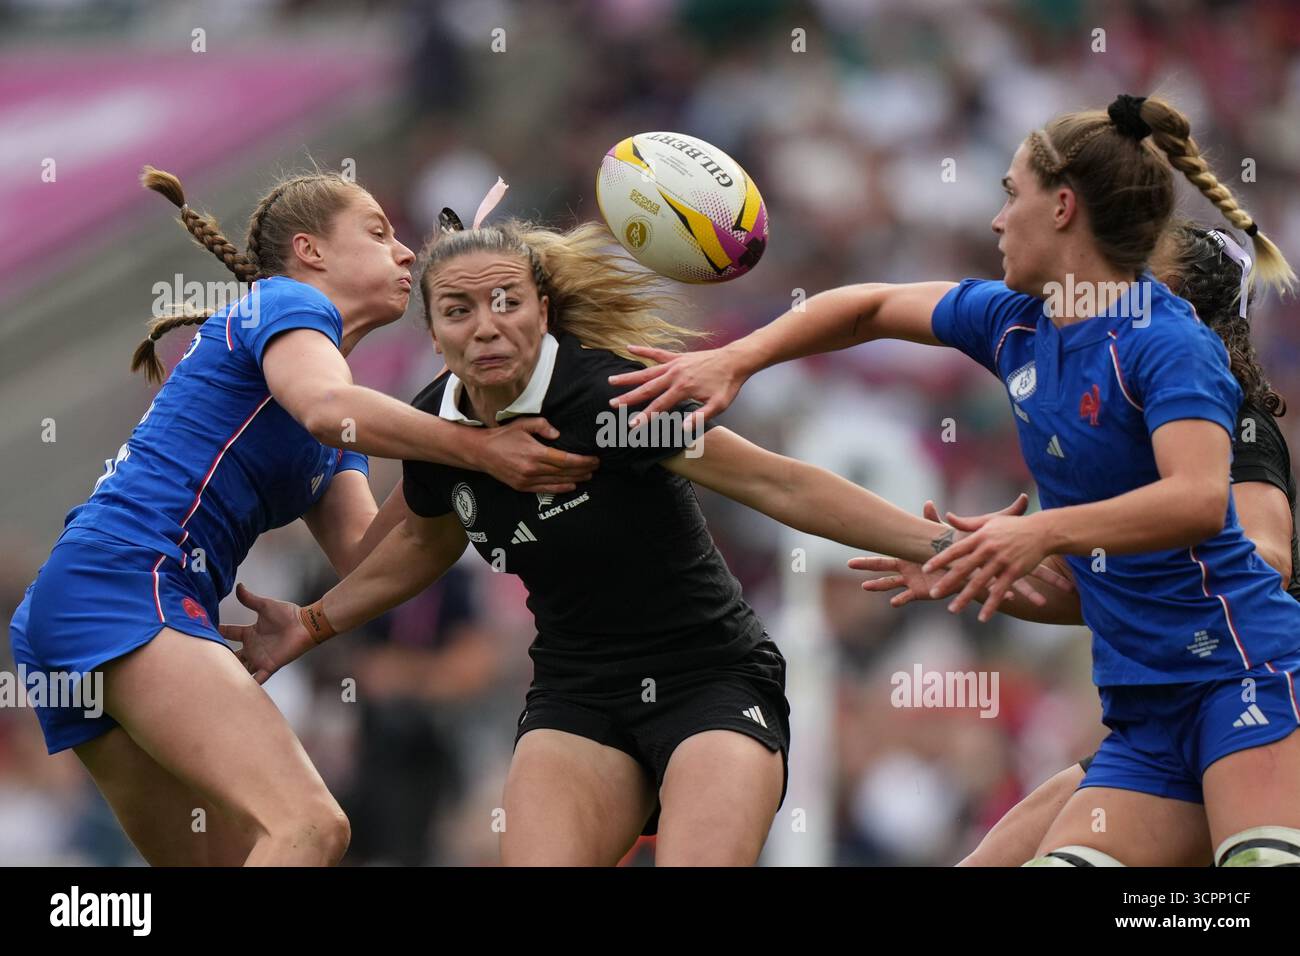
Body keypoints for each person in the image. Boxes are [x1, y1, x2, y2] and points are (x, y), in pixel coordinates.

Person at [219, 206, 1055, 866]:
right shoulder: (434, 426)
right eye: (459, 310)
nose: (486, 326)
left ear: (543, 308)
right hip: (578, 696)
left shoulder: (609, 400)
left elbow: (777, 480)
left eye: (507, 301)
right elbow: (419, 545)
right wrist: (317, 620)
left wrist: (943, 546)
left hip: (712, 682)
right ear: (431, 332)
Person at [609, 94, 1300, 867]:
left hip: (1248, 679)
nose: (998, 220)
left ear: (1064, 206)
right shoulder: (1011, 323)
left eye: (1012, 195)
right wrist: (736, 359)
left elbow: (1201, 502)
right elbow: (867, 308)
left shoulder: (1166, 340)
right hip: (1146, 713)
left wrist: (1035, 531)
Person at [5, 167, 597, 866]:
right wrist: (480, 446)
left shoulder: (334, 417)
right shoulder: (284, 302)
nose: (406, 252)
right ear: (312, 252)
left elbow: (366, 556)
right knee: (311, 825)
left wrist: (467, 410)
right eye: (378, 233)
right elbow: (326, 408)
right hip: (127, 588)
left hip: (77, 608)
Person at [857, 220, 1297, 866]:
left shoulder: (1230, 422)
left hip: (1248, 689)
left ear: (1168, 297)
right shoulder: (1113, 416)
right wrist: (985, 562)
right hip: (1161, 716)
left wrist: (1068, 545)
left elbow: (1267, 558)